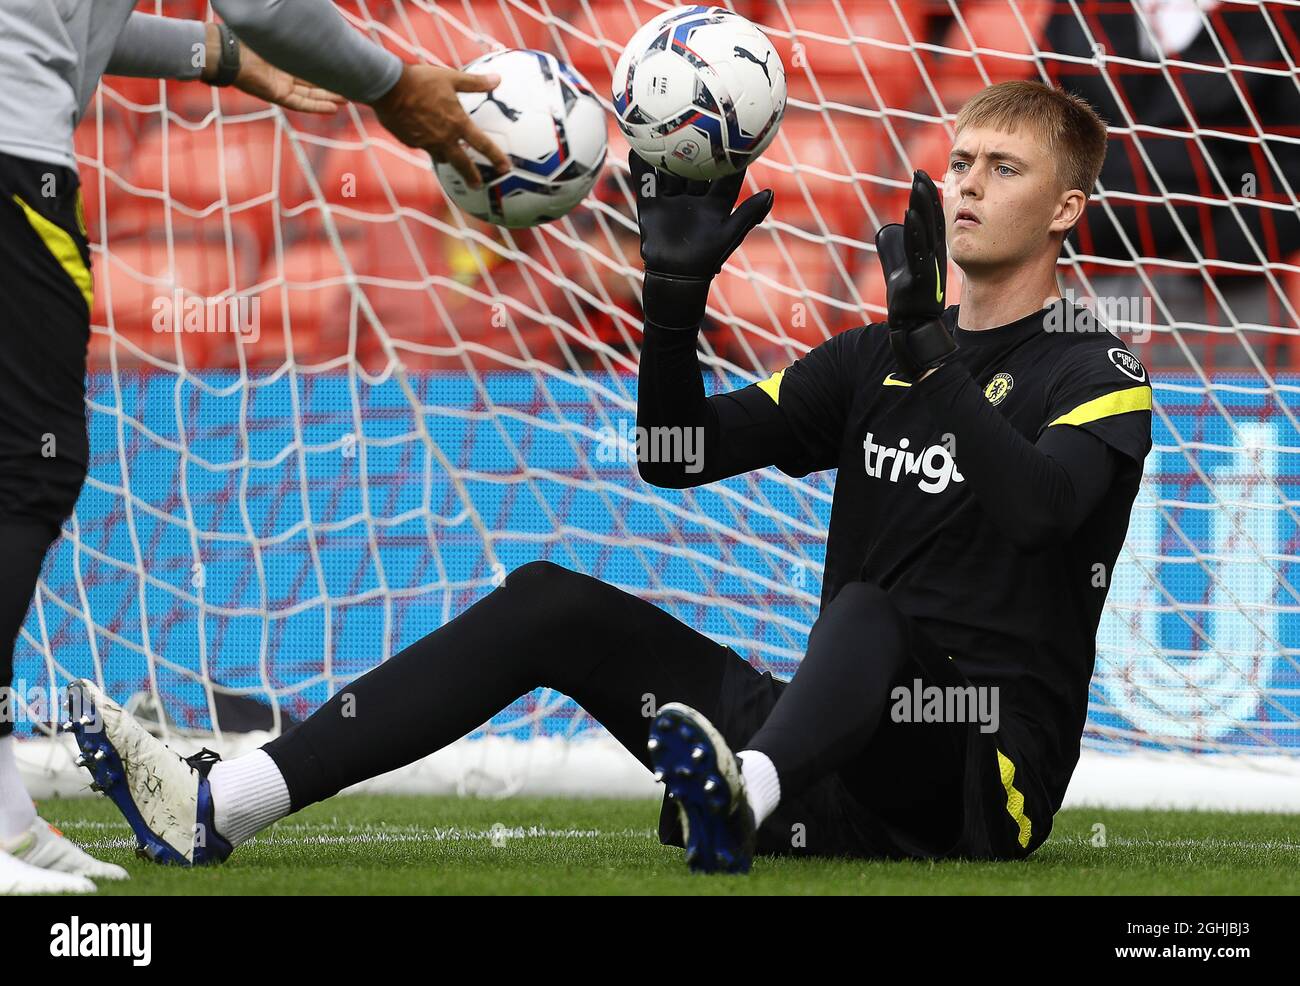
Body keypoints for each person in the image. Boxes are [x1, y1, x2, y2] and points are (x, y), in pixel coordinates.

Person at [65, 79, 1152, 875]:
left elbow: (1038, 511)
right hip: (825, 759)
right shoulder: (873, 356)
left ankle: (748, 798)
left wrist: (929, 353)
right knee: (548, 601)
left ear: (1066, 209)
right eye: (959, 162)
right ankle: (220, 804)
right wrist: (671, 307)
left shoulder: (1095, 371)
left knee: (870, 610)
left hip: (971, 776)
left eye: (1001, 169)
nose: (964, 187)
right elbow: (675, 457)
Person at [0, 0, 508, 895]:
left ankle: (5, 818)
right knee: (27, 472)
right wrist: (391, 87)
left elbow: (74, 20)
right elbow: (264, 3)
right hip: (13, 165)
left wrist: (218, 57)